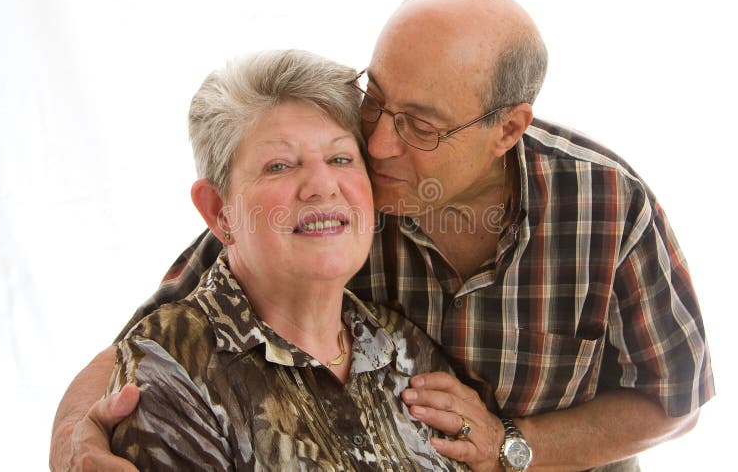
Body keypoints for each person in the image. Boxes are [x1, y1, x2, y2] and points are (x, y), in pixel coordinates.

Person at [51, 0, 714, 471]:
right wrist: (72, 442)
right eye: (376, 100)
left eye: (420, 126)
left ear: (507, 129)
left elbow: (675, 399)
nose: (382, 146)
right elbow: (158, 339)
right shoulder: (342, 179)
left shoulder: (606, 206)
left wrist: (516, 445)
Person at [105, 49, 469, 470]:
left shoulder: (407, 348)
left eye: (340, 159)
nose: (322, 186)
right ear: (219, 210)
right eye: (279, 166)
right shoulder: (169, 366)